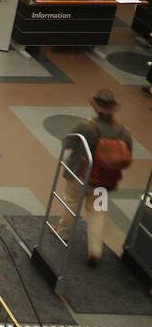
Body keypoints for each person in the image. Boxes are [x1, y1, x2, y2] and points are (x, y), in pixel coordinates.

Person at [59, 89, 133, 264]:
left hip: (80, 174)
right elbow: (127, 153)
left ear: (96, 108)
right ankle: (95, 250)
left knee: (71, 201)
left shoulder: (86, 126)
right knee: (98, 212)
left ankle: (63, 233)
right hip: (104, 180)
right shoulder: (123, 131)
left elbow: (67, 142)